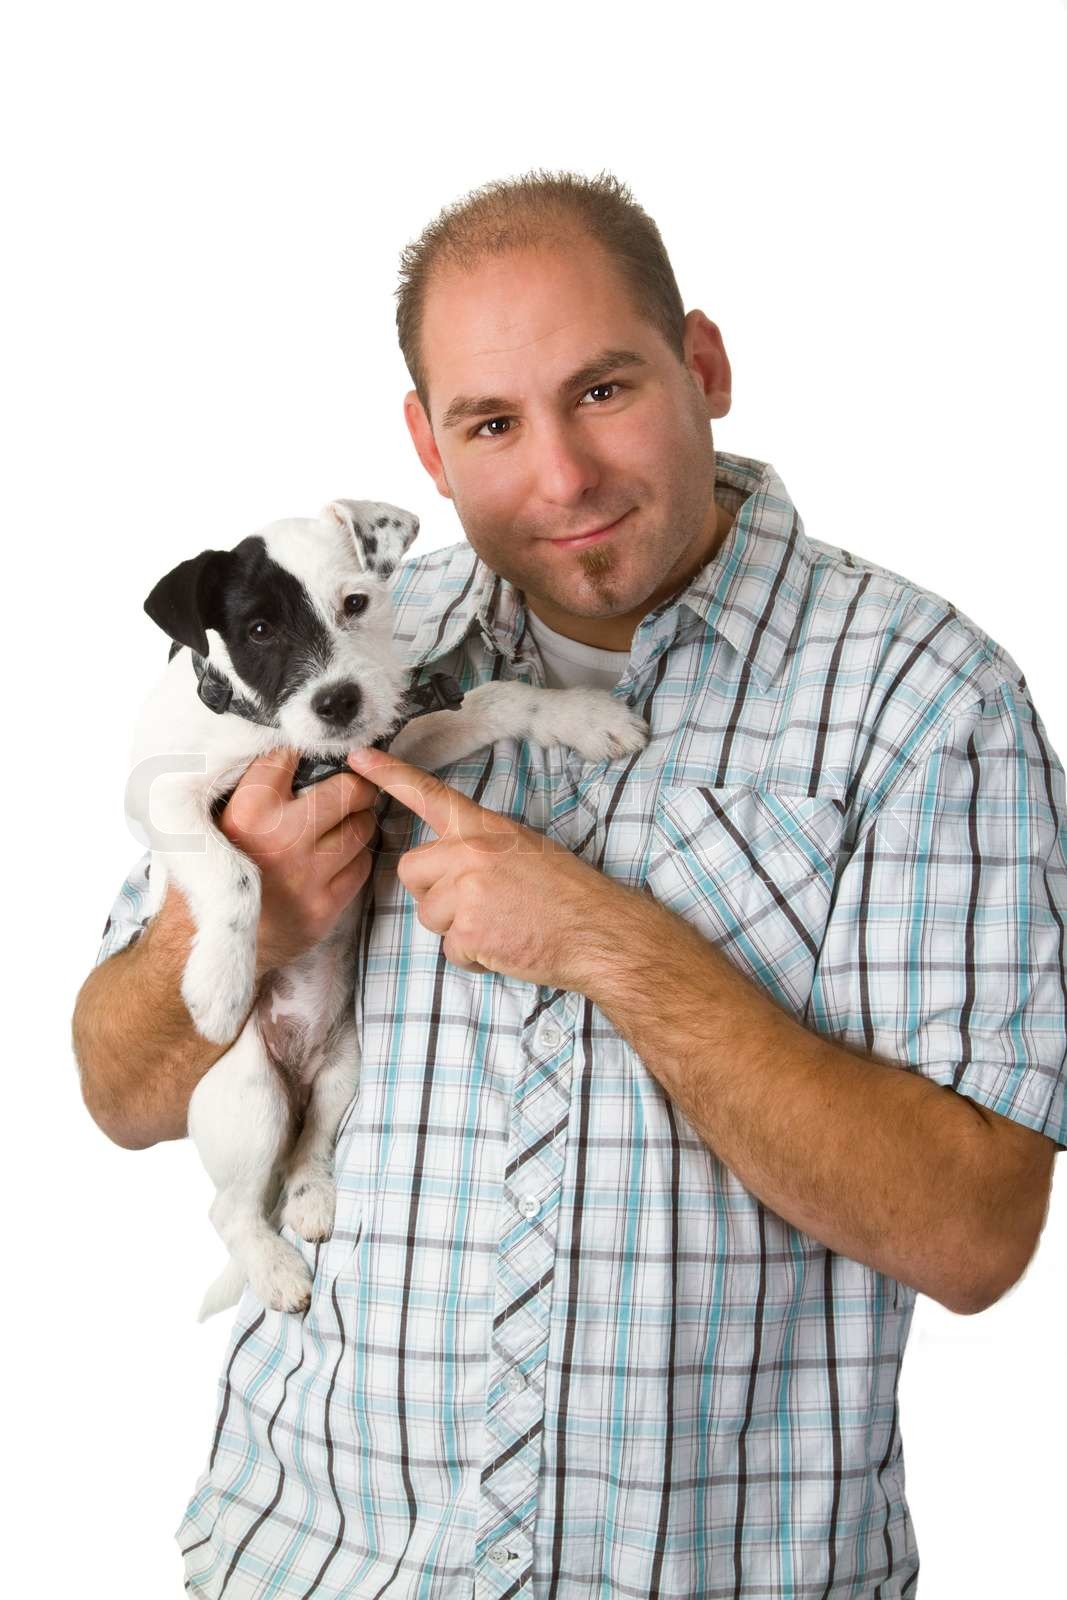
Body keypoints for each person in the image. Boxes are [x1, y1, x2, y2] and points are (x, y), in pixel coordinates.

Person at [72, 169, 1066, 1599]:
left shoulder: (924, 700)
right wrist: (232, 914)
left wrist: (611, 943)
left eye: (604, 391)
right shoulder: (319, 663)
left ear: (703, 366)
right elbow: (117, 1093)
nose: (561, 477)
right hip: (307, 1565)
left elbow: (973, 1232)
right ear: (426, 443)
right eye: (491, 421)